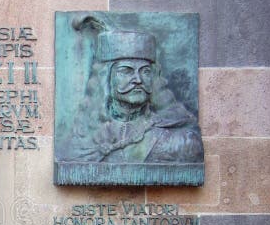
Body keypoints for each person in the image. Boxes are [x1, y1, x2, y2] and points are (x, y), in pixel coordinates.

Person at [63, 30, 203, 164]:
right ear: (106, 78)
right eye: (126, 71)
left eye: (145, 71)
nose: (138, 79)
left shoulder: (181, 142)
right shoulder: (82, 144)